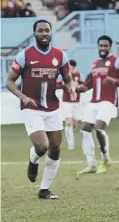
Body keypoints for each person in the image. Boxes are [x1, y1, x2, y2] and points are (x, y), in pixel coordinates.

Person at [5, 19, 75, 200]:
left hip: (52, 107)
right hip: (31, 107)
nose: (44, 33)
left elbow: (68, 78)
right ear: (34, 33)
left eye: (47, 30)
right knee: (42, 146)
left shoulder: (60, 56)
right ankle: (33, 160)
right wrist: (22, 97)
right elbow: (9, 81)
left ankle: (44, 190)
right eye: (40, 31)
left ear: (51, 32)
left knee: (56, 148)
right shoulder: (24, 55)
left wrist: (71, 87)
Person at [76, 35, 119, 175]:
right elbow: (89, 84)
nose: (103, 48)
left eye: (105, 46)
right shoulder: (95, 64)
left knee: (98, 128)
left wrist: (114, 81)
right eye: (101, 46)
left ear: (110, 47)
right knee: (84, 129)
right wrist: (82, 88)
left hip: (107, 101)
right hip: (93, 101)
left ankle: (105, 159)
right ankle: (91, 164)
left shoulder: (116, 61)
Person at [57, 59, 83, 150]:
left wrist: (79, 87)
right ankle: (70, 144)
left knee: (76, 122)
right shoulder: (63, 76)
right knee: (68, 122)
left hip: (76, 102)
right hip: (66, 102)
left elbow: (83, 85)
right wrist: (63, 85)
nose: (70, 68)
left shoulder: (78, 75)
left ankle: (80, 139)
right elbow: (58, 84)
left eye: (71, 66)